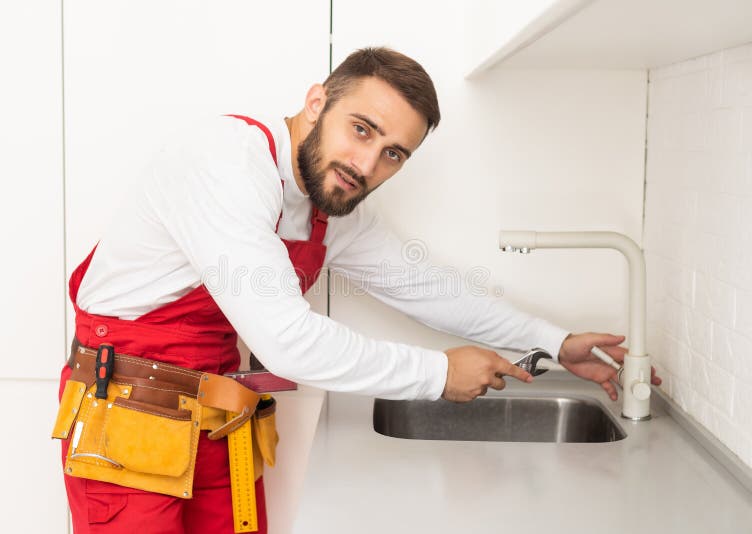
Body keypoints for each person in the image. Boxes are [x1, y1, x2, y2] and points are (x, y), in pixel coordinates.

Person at [55, 47, 660, 533]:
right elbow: (288, 340)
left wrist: (555, 341)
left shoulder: (328, 207)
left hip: (214, 419)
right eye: (361, 130)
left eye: (393, 153)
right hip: (126, 422)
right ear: (317, 102)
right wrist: (438, 374)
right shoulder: (226, 163)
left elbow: (428, 287)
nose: (367, 164)